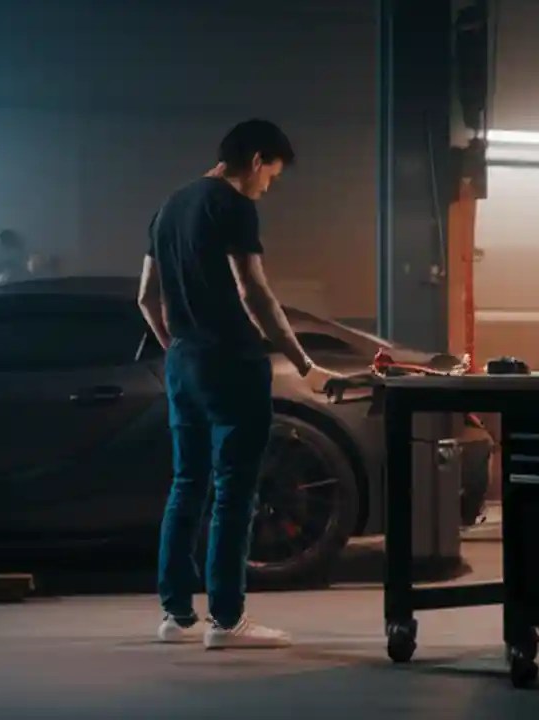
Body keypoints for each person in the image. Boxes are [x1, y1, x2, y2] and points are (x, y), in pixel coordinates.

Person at [136, 119, 344, 649]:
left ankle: (176, 615)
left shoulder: (168, 207)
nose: (267, 188)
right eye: (270, 176)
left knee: (187, 484)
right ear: (255, 161)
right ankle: (226, 621)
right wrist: (304, 364)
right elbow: (254, 292)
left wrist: (179, 346)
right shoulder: (232, 205)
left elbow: (146, 297)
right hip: (232, 362)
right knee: (235, 490)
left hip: (183, 362)